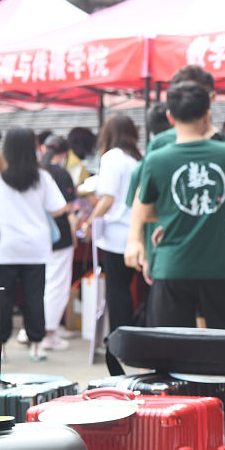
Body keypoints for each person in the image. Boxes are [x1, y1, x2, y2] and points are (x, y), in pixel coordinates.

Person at [126, 82, 225, 330]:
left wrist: (137, 238)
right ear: (207, 114)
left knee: (170, 349)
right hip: (218, 265)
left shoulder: (156, 159)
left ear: (170, 117)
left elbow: (143, 206)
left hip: (172, 265)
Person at [0, 128, 67, 362]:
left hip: (5, 246)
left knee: (1, 300)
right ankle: (36, 346)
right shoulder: (42, 176)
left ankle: (0, 348)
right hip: (36, 246)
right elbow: (58, 208)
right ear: (33, 147)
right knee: (35, 297)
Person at [83, 113, 143, 330]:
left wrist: (90, 223)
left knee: (117, 290)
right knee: (134, 288)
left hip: (116, 233)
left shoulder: (111, 158)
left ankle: (121, 336)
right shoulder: (139, 158)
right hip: (139, 232)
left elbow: (107, 200)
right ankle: (134, 332)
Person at [38, 136, 78, 351]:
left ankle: (39, 329)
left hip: (38, 236)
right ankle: (49, 332)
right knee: (57, 284)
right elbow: (68, 205)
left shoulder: (36, 171)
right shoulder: (60, 173)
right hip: (58, 234)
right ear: (64, 153)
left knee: (42, 283)